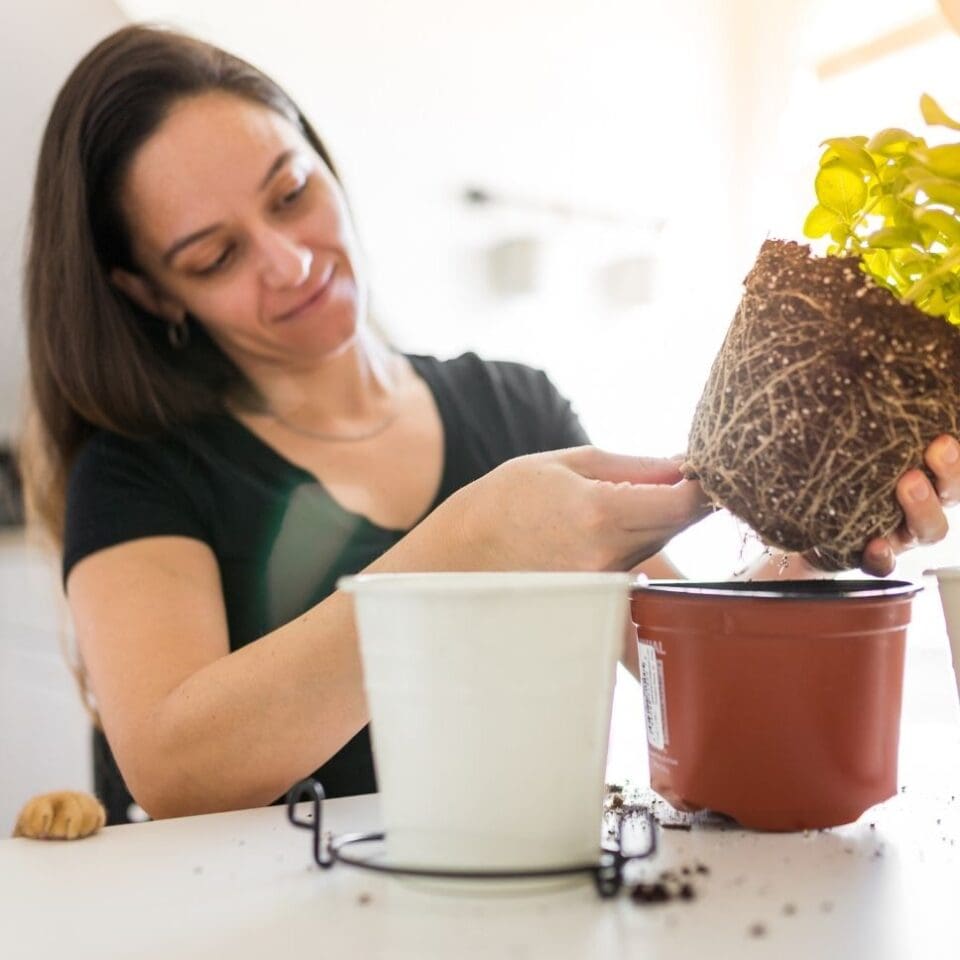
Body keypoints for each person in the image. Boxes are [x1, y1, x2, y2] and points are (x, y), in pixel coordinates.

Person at [21, 25, 959, 825]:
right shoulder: (140, 470)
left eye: (290, 193)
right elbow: (175, 773)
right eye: (217, 253)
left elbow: (695, 676)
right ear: (147, 291)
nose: (289, 261)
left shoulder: (517, 411)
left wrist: (823, 533)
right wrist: (463, 546)